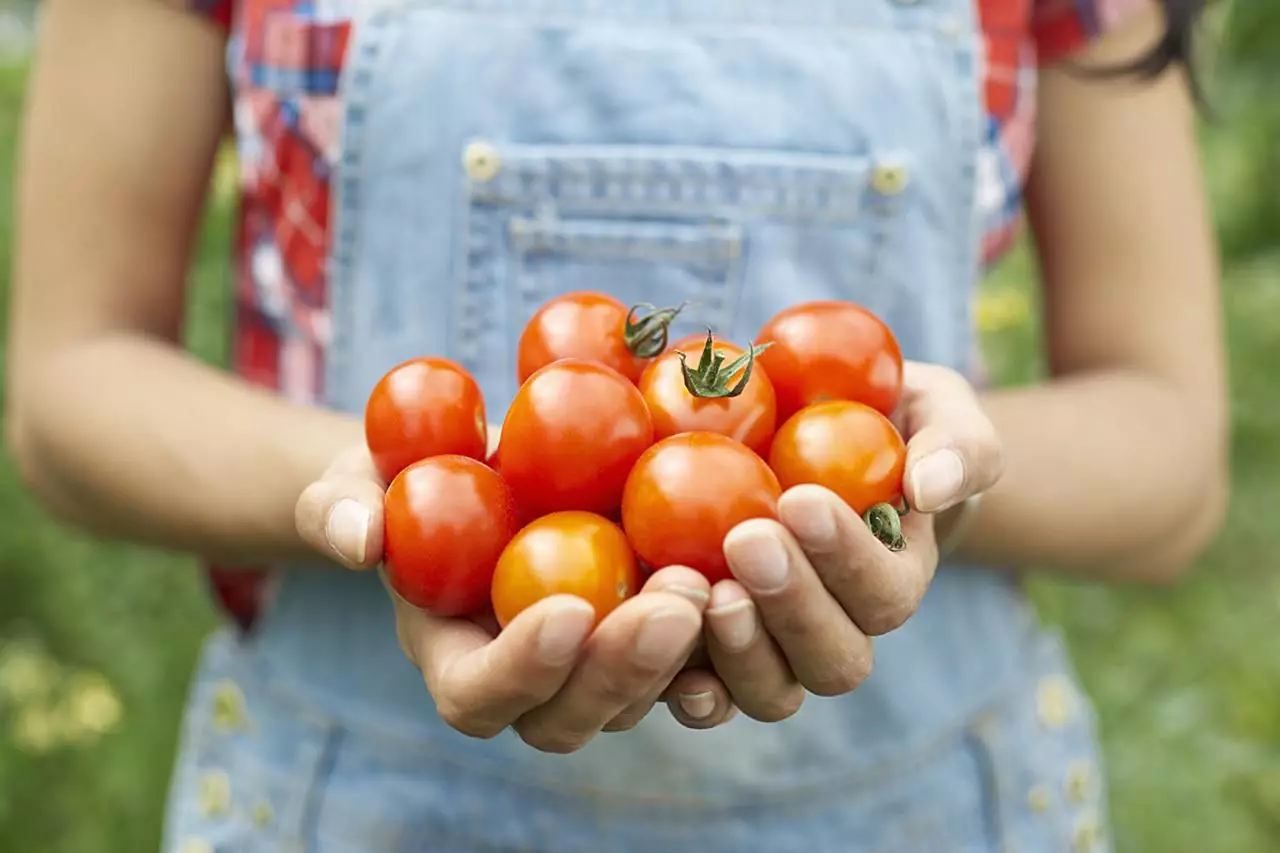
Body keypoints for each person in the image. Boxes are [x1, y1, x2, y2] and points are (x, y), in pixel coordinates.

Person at [7, 0, 1225, 849]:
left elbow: (1167, 453)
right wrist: (394, 494)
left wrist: (925, 476)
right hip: (361, 811)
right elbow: (69, 383)